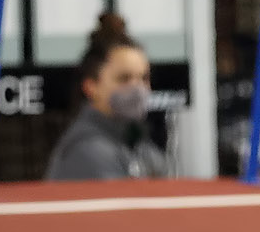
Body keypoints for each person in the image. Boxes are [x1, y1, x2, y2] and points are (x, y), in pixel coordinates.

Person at [45, 13, 169, 180]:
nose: (137, 88)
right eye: (123, 79)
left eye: (143, 78)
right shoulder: (86, 150)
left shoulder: (138, 143)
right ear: (91, 86)